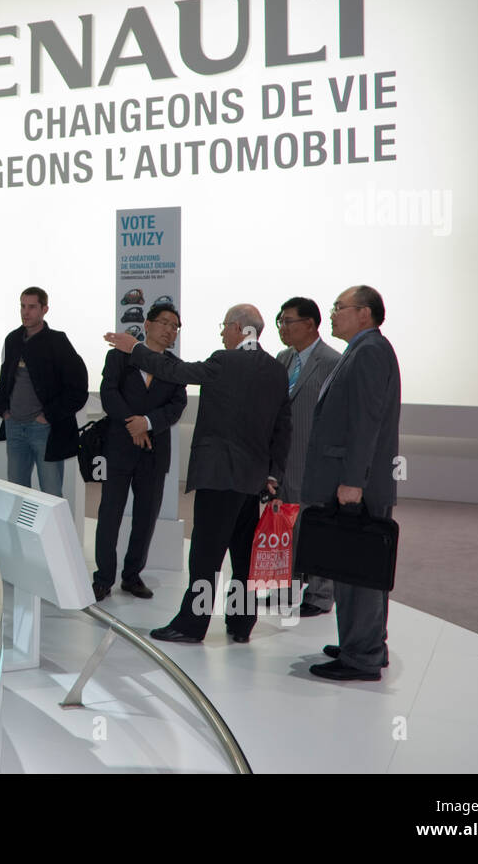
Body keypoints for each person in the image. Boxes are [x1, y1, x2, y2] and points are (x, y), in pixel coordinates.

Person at [104, 303, 291, 643]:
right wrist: (273, 473)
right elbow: (283, 425)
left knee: (206, 556)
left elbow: (178, 373)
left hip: (219, 475)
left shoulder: (224, 360)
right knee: (243, 558)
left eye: (224, 326)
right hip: (252, 480)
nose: (222, 333)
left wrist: (136, 349)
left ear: (238, 328)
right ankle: (240, 624)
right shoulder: (276, 369)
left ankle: (191, 625)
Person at [303, 285, 400, 682]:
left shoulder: (371, 351)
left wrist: (352, 480)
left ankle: (361, 655)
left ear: (365, 313)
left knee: (358, 570)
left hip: (357, 483)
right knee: (356, 566)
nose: (334, 314)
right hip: (355, 479)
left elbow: (366, 422)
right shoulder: (361, 350)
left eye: (339, 308)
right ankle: (365, 643)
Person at [92, 303, 187, 601]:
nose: (169, 329)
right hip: (120, 446)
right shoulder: (119, 356)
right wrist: (132, 424)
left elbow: (176, 406)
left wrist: (146, 424)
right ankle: (103, 578)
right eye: (164, 323)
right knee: (110, 514)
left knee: (145, 518)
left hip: (154, 451)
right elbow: (109, 393)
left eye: (175, 326)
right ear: (146, 325)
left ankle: (131, 576)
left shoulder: (174, 366)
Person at [273, 296, 341, 617]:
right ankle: (286, 586)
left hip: (313, 460)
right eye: (281, 321)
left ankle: (319, 594)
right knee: (284, 524)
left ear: (310, 324)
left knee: (314, 525)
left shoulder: (332, 361)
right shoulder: (283, 358)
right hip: (283, 459)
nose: (283, 328)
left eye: (288, 321)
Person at [0, 286, 88, 497]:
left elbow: (78, 387)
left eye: (32, 307)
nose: (25, 312)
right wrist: (3, 409)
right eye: (22, 306)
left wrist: (47, 416)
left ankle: (53, 532)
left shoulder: (57, 342)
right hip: (14, 427)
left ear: (45, 309)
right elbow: (4, 379)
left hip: (44, 430)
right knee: (16, 494)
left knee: (51, 494)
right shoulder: (12, 340)